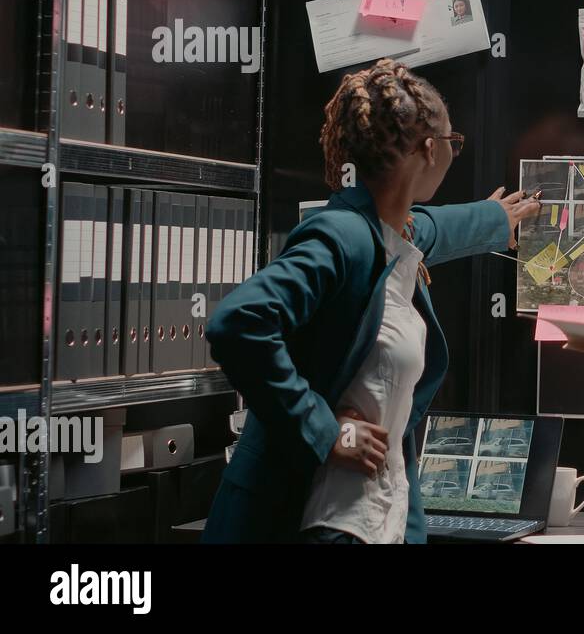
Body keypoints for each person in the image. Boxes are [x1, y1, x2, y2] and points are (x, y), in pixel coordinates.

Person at [202, 58, 539, 543]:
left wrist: (494, 219)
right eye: (453, 143)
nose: (454, 152)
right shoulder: (342, 235)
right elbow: (238, 322)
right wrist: (324, 429)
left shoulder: (390, 233)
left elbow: (435, 228)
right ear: (428, 150)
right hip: (318, 521)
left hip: (375, 520)